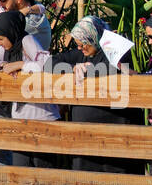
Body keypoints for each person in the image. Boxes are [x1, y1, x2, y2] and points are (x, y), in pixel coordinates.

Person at [43, 15, 138, 174]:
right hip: (85, 137)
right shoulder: (82, 54)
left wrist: (86, 71)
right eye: (78, 45)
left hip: (115, 131)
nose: (80, 49)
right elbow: (49, 64)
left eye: (83, 44)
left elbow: (113, 69)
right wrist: (73, 68)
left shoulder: (114, 49)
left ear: (94, 37)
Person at [0, 10, 55, 169]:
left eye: (1, 39)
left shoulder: (27, 40)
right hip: (20, 116)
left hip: (40, 116)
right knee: (21, 166)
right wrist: (2, 65)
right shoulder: (7, 46)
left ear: (10, 32)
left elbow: (46, 63)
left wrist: (22, 65)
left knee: (41, 167)